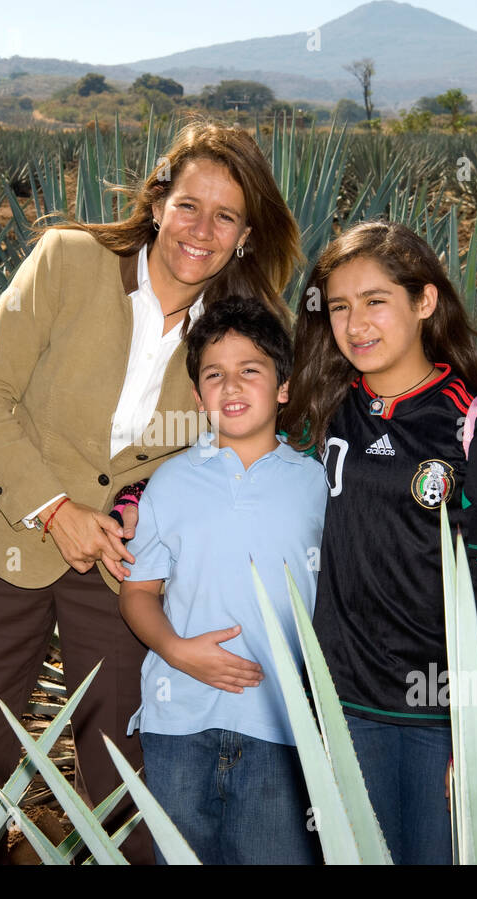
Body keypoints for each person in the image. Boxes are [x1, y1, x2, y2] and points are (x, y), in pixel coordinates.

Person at [0, 118, 302, 864]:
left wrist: (127, 514)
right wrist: (56, 509)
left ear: (246, 236)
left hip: (124, 565)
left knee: (125, 766)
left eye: (225, 216)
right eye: (189, 205)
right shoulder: (67, 260)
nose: (201, 229)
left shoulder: (238, 333)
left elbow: (224, 453)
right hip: (7, 535)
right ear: (157, 200)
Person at [280, 219, 477, 865]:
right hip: (340, 706)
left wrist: (476, 736)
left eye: (376, 301)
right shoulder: (323, 412)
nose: (355, 323)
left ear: (424, 302)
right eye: (339, 306)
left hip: (440, 719)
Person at [118, 296, 326, 865]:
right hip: (178, 720)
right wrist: (178, 651)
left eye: (250, 371)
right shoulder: (170, 482)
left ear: (283, 388)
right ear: (197, 396)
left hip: (281, 725)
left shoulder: (316, 485)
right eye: (215, 375)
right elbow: (138, 593)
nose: (232, 386)